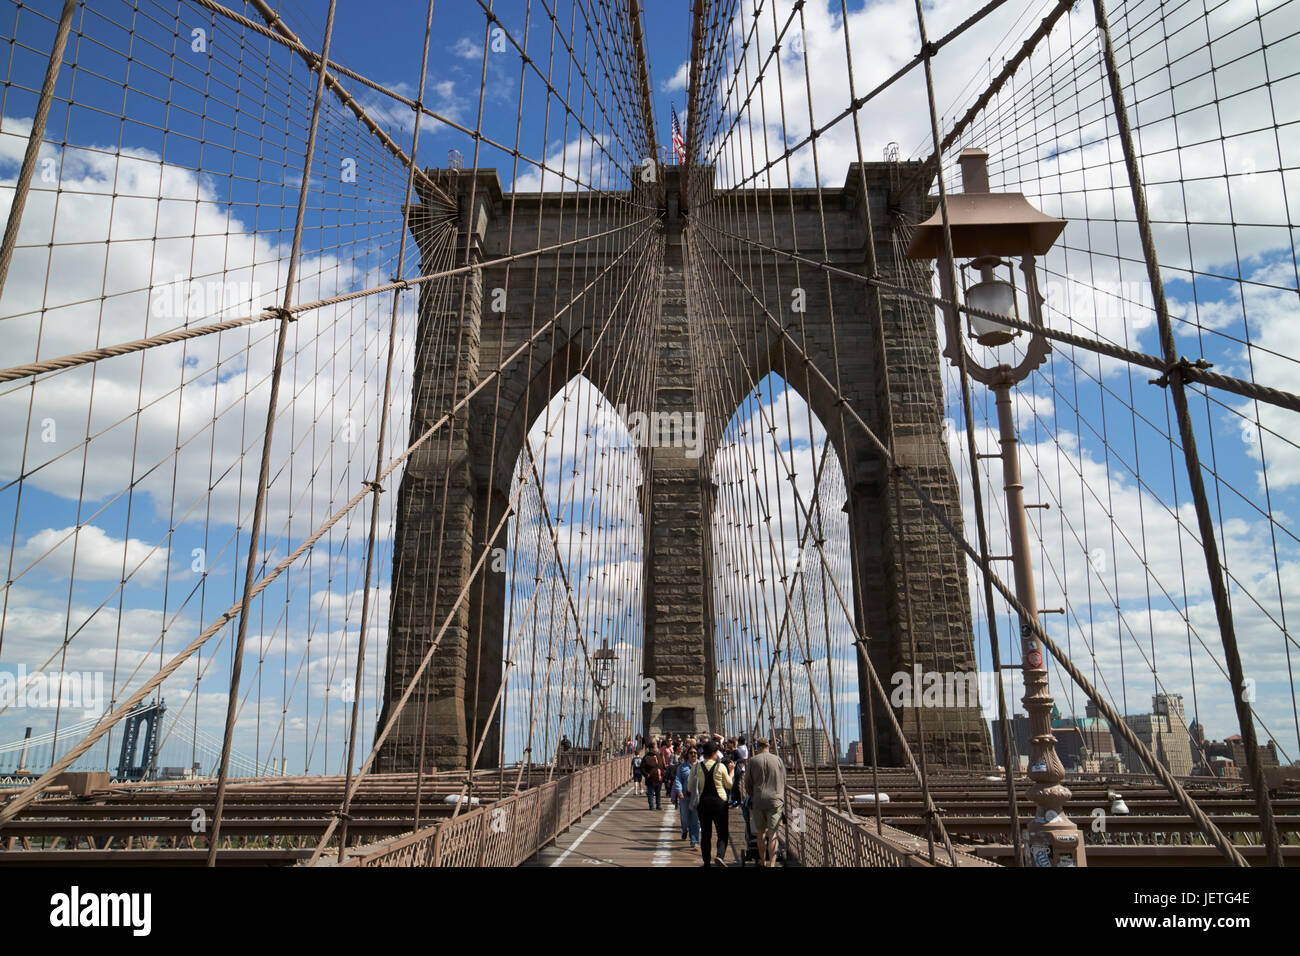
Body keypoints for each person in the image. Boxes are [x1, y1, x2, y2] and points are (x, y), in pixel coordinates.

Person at [688, 740, 734, 866]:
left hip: (703, 803)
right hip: (720, 803)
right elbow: (729, 785)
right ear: (714, 753)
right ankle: (720, 856)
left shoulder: (696, 767)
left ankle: (706, 861)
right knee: (722, 832)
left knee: (706, 834)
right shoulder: (720, 767)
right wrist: (731, 771)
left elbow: (688, 787)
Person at [742, 737, 786, 867]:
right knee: (773, 834)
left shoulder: (753, 761)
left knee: (761, 833)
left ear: (758, 746)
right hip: (775, 801)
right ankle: (772, 864)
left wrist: (753, 795)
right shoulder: (778, 760)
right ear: (768, 746)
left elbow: (747, 783)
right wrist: (779, 795)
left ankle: (762, 861)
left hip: (759, 800)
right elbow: (784, 780)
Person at [672, 746, 701, 848]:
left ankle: (694, 840)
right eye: (691, 753)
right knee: (684, 816)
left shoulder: (701, 766)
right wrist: (679, 791)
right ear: (687, 755)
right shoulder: (682, 767)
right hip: (684, 795)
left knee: (695, 818)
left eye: (695, 753)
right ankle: (685, 829)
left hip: (696, 796)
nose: (693, 754)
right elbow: (678, 779)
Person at [641, 743, 664, 810]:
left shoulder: (658, 755)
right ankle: (651, 806)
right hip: (651, 779)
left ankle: (658, 805)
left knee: (658, 793)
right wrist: (646, 775)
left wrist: (663, 773)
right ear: (651, 749)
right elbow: (642, 768)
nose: (657, 749)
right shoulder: (646, 757)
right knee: (651, 792)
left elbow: (661, 765)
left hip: (659, 778)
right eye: (655, 747)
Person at [730, 736, 749, 807]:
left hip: (739, 768)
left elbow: (743, 759)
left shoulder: (740, 749)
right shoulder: (744, 748)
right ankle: (738, 800)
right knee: (737, 784)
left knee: (737, 785)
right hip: (741, 768)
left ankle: (738, 801)